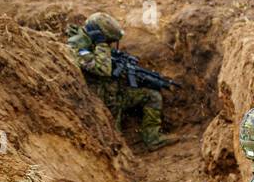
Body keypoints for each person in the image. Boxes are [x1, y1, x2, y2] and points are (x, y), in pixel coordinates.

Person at [65, 12, 176, 150]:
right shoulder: (77, 47)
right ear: (99, 35)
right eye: (108, 41)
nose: (109, 44)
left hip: (114, 96)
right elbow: (102, 69)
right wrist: (101, 44)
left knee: (153, 96)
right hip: (99, 105)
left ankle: (152, 139)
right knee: (113, 141)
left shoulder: (91, 41)